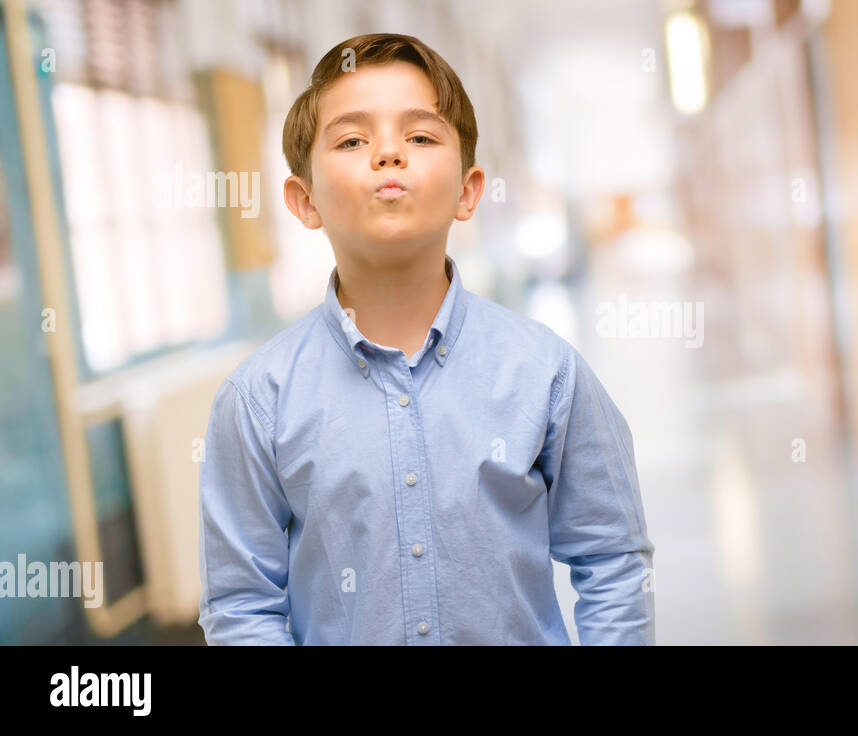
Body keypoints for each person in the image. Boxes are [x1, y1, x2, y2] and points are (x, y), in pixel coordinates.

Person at [197, 33, 654, 645]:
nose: (389, 154)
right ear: (305, 202)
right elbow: (241, 605)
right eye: (353, 140)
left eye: (419, 136)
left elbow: (613, 561)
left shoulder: (546, 373)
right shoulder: (258, 401)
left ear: (468, 191)